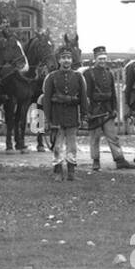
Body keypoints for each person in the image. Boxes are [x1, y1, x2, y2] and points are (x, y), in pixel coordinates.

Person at [84, 47, 134, 171]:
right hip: (95, 110)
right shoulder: (88, 74)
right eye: (100, 58)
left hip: (107, 110)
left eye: (104, 59)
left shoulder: (109, 73)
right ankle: (96, 161)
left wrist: (114, 109)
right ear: (95, 58)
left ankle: (120, 160)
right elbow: (86, 95)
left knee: (112, 136)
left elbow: (113, 93)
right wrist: (87, 112)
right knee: (95, 138)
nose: (102, 61)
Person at [43, 46, 89, 180]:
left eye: (68, 58)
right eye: (63, 58)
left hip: (72, 115)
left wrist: (84, 116)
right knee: (57, 145)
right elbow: (46, 100)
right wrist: (47, 119)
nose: (66, 61)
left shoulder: (78, 77)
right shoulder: (51, 77)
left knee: (72, 146)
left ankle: (71, 172)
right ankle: (57, 171)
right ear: (58, 60)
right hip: (56, 116)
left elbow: (83, 98)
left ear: (72, 59)